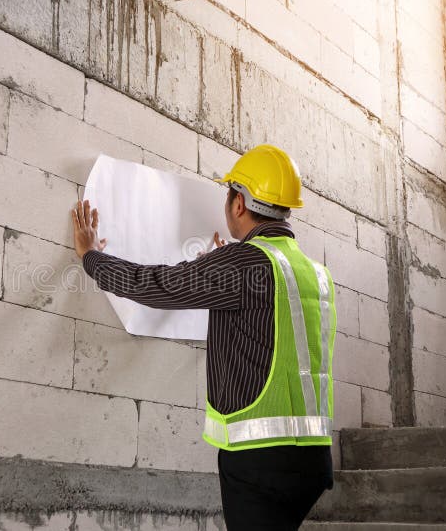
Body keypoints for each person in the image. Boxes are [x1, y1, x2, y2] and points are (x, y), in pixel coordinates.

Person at [71, 144, 336, 530]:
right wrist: (217, 271)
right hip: (312, 461)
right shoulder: (315, 273)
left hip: (258, 461)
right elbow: (270, 334)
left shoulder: (242, 263)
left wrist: (91, 257)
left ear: (239, 204)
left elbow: (157, 285)